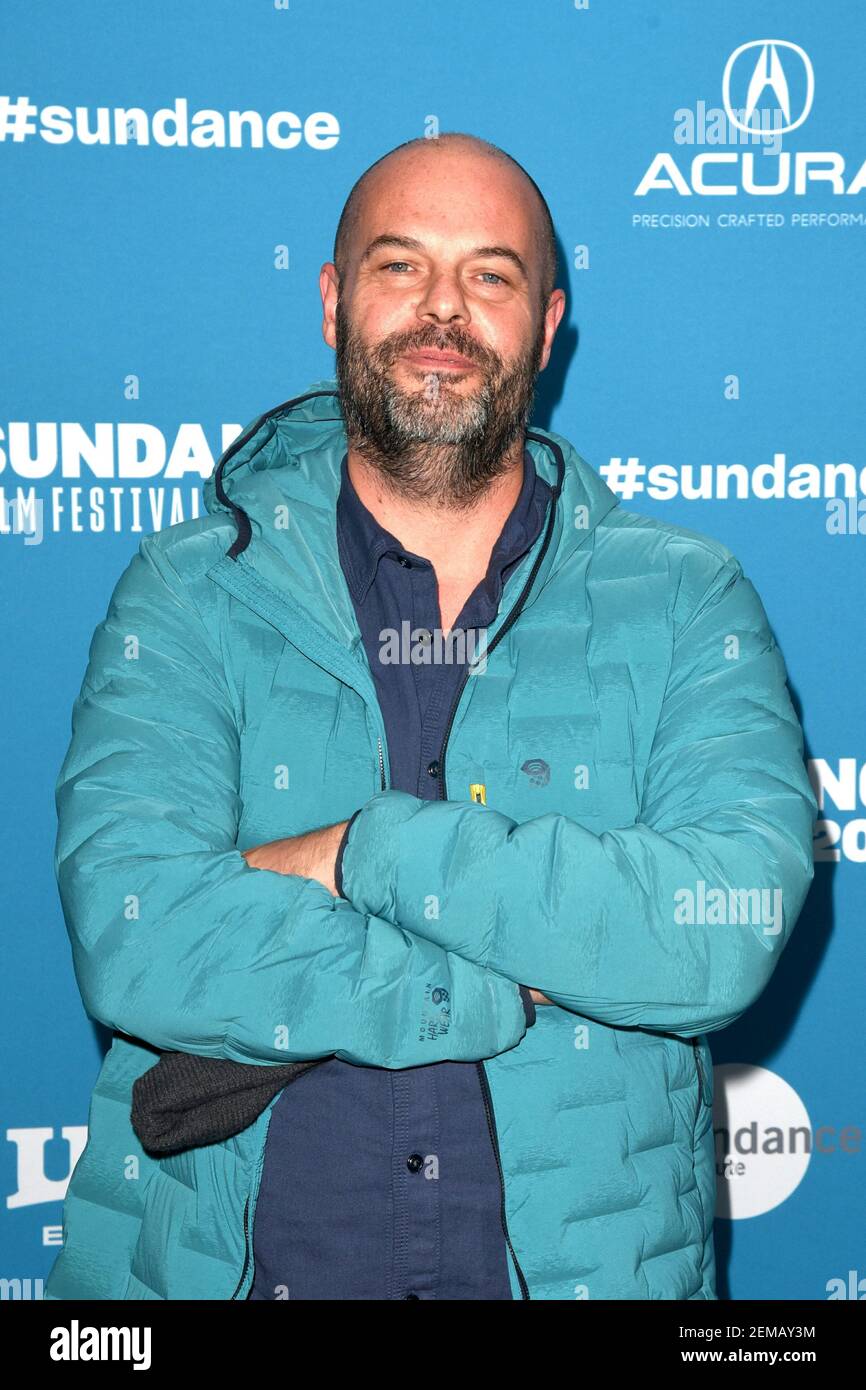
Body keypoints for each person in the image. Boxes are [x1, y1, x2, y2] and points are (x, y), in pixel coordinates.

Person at [45, 132, 816, 1301]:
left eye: (490, 275)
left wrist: (360, 851)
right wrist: (515, 963)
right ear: (333, 298)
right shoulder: (189, 590)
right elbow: (136, 933)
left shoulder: (681, 596)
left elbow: (720, 925)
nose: (443, 311)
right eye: (400, 266)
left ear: (545, 324)